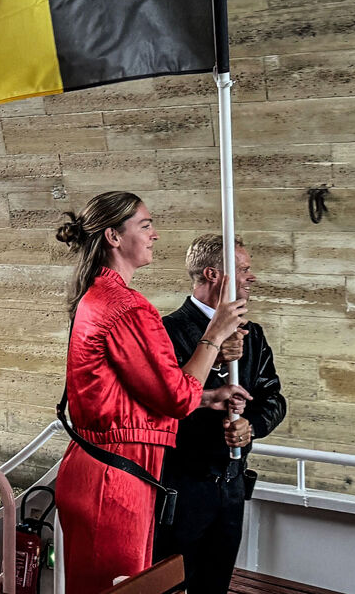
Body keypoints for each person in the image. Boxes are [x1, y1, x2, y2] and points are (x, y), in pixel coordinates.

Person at [52, 192, 251, 594]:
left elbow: (141, 390)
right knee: (120, 589)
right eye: (145, 225)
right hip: (115, 480)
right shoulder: (127, 308)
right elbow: (175, 397)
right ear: (113, 236)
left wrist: (208, 397)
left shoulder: (99, 297)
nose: (155, 234)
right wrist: (213, 336)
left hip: (101, 469)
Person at [153, 235, 286, 593]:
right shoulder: (167, 332)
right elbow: (160, 402)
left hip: (231, 485)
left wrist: (251, 426)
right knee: (172, 584)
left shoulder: (252, 335)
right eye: (243, 269)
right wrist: (213, 358)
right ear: (214, 275)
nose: (251, 277)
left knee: (216, 585)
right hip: (180, 488)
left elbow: (273, 398)